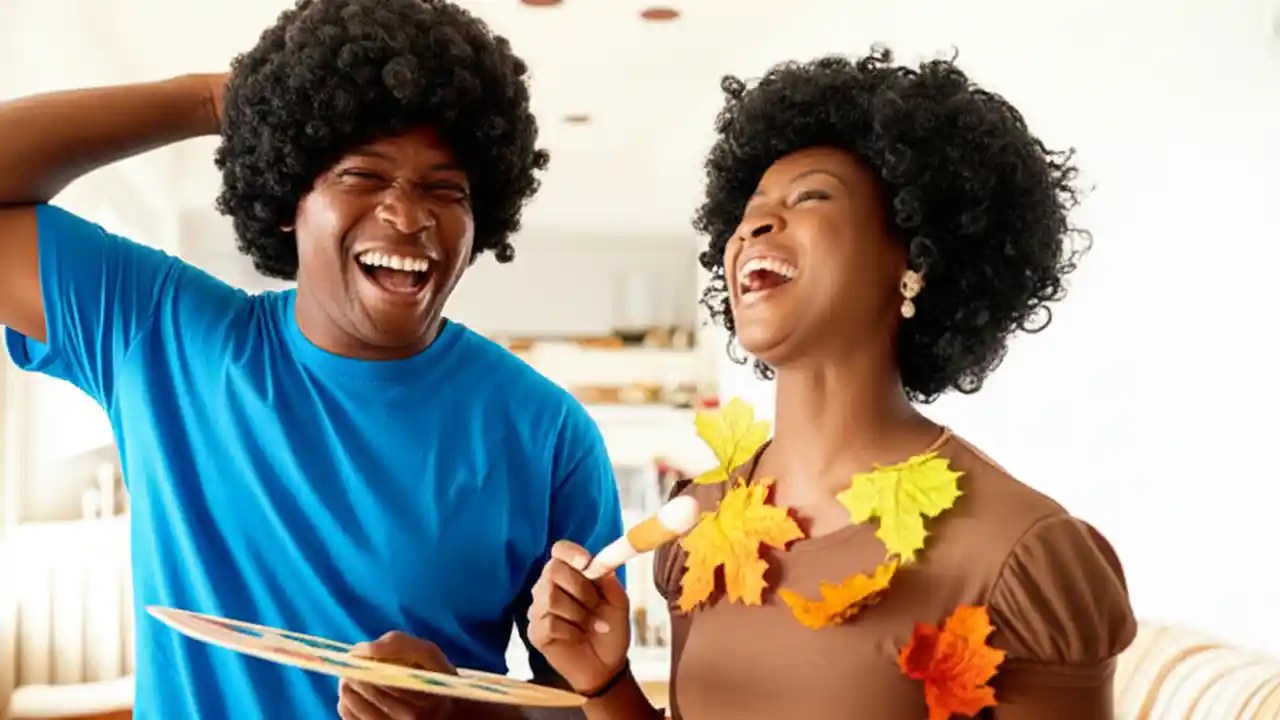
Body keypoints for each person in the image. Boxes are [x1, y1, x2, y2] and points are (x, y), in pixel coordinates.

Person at [0, 1, 622, 718]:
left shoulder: (547, 432)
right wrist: (214, 100)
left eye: (444, 188)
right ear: (286, 197)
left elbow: (589, 703)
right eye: (362, 175)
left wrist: (457, 711)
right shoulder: (158, 332)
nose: (408, 215)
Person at [526, 47, 1137, 720]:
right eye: (750, 209)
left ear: (915, 259)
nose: (755, 225)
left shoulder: (1022, 556)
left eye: (810, 197)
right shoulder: (698, 527)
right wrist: (605, 684)